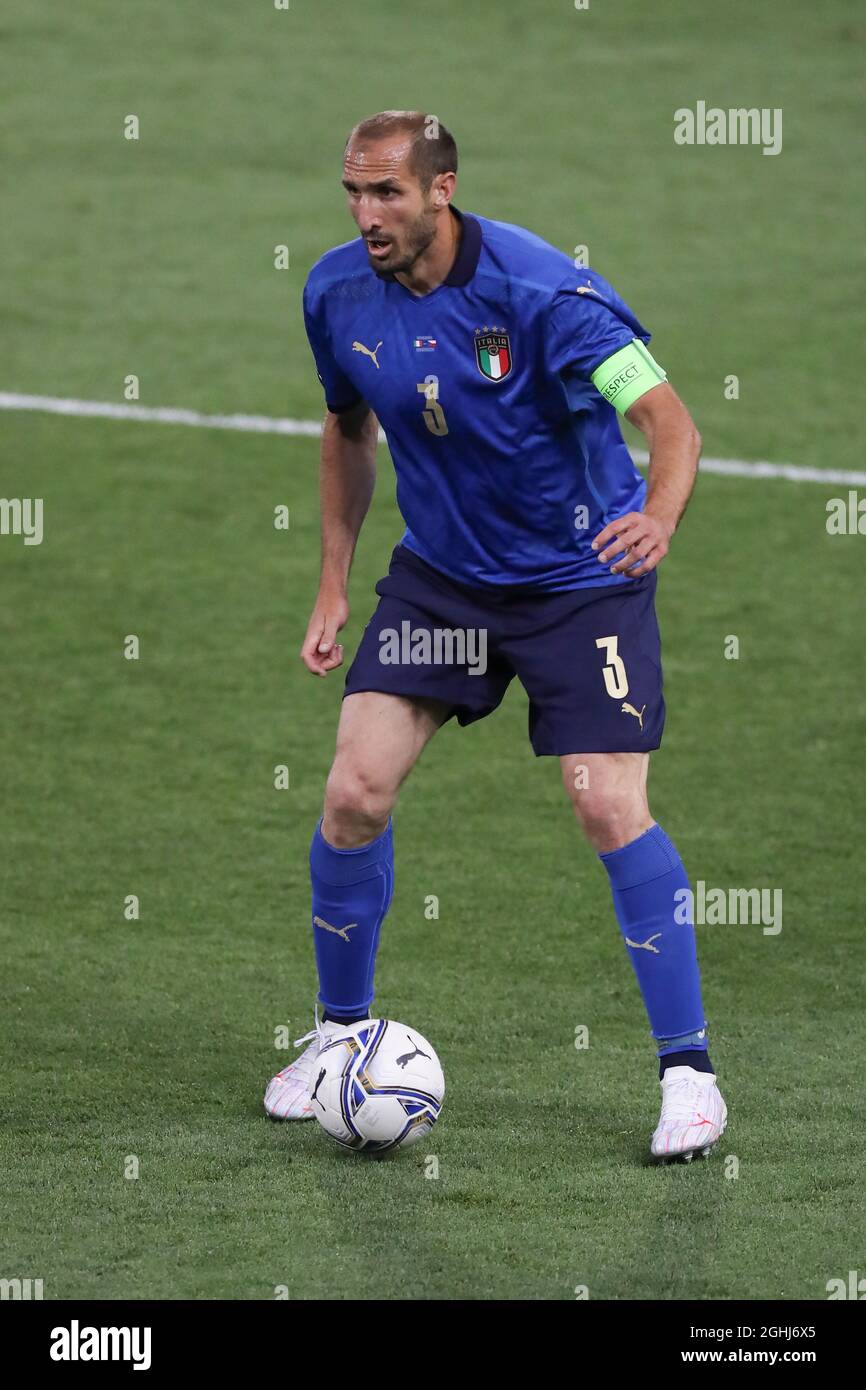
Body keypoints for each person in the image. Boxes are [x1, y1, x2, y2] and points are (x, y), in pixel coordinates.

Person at [264, 110, 726, 1162]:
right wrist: (333, 584)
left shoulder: (538, 296)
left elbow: (669, 423)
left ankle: (688, 1073)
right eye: (353, 191)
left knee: (606, 803)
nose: (365, 213)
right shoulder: (337, 291)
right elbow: (346, 432)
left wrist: (654, 517)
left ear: (442, 189)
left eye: (387, 192)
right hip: (444, 590)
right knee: (352, 790)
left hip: (577, 583)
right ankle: (338, 1036)